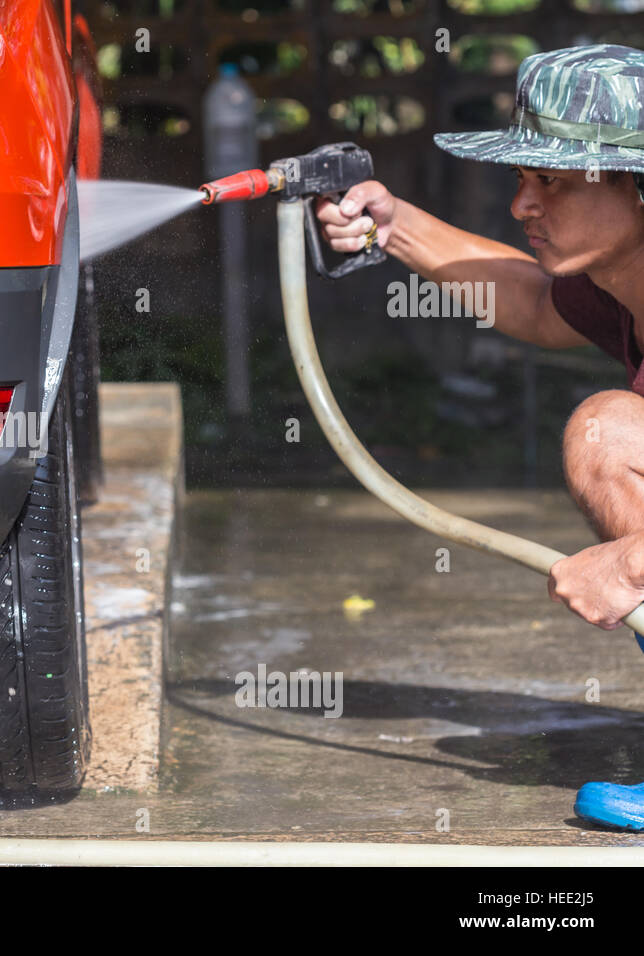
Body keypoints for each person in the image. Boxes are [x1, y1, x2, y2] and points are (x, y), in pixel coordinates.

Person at [318, 43, 644, 831]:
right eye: (523, 180)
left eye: (554, 183)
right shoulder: (622, 284)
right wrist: (393, 226)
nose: (523, 206)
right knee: (610, 432)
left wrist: (635, 560)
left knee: (605, 433)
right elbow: (535, 303)